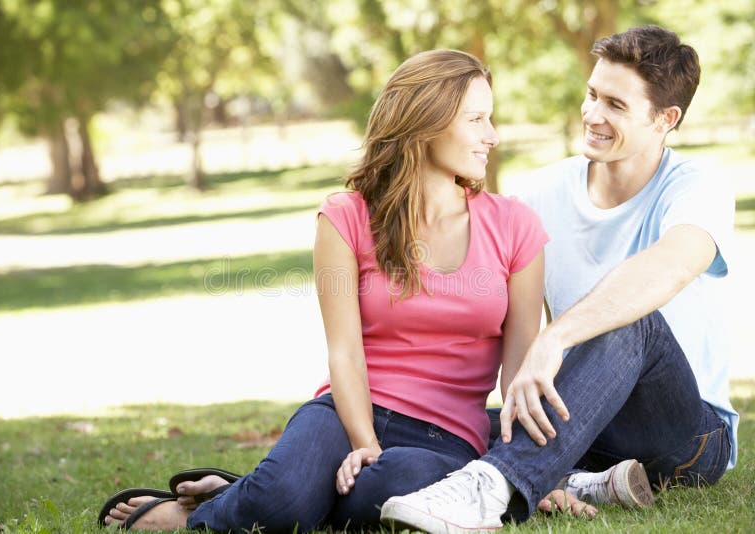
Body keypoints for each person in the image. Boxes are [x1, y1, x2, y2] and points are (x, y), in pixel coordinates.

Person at [98, 49, 550, 531]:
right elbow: (345, 353)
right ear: (424, 122)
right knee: (284, 505)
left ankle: (249, 488)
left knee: (377, 494)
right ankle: (206, 510)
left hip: (445, 439)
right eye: (476, 119)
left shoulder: (515, 226)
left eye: (491, 118)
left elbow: (519, 375)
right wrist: (364, 442)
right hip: (345, 413)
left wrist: (534, 473)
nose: (492, 135)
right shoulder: (346, 216)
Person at [381, 24, 739, 532]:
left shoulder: (697, 189)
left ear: (665, 119)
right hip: (586, 415)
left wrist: (558, 337)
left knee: (629, 321)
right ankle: (575, 478)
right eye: (592, 94)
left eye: (616, 105)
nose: (593, 115)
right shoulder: (540, 192)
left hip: (685, 435)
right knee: (432, 422)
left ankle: (492, 487)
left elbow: (671, 264)